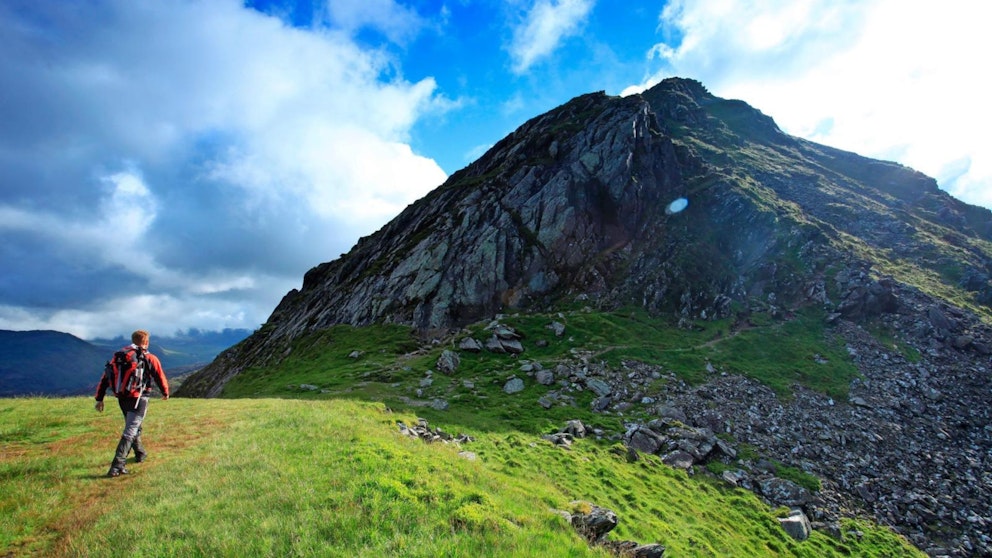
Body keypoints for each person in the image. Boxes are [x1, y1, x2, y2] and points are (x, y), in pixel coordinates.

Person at [95, 329, 170, 477]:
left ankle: (140, 454)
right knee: (131, 429)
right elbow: (159, 376)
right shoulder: (149, 357)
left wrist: (99, 398)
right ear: (146, 342)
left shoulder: (120, 357)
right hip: (139, 398)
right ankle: (117, 466)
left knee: (133, 426)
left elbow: (106, 377)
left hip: (122, 397)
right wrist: (165, 392)